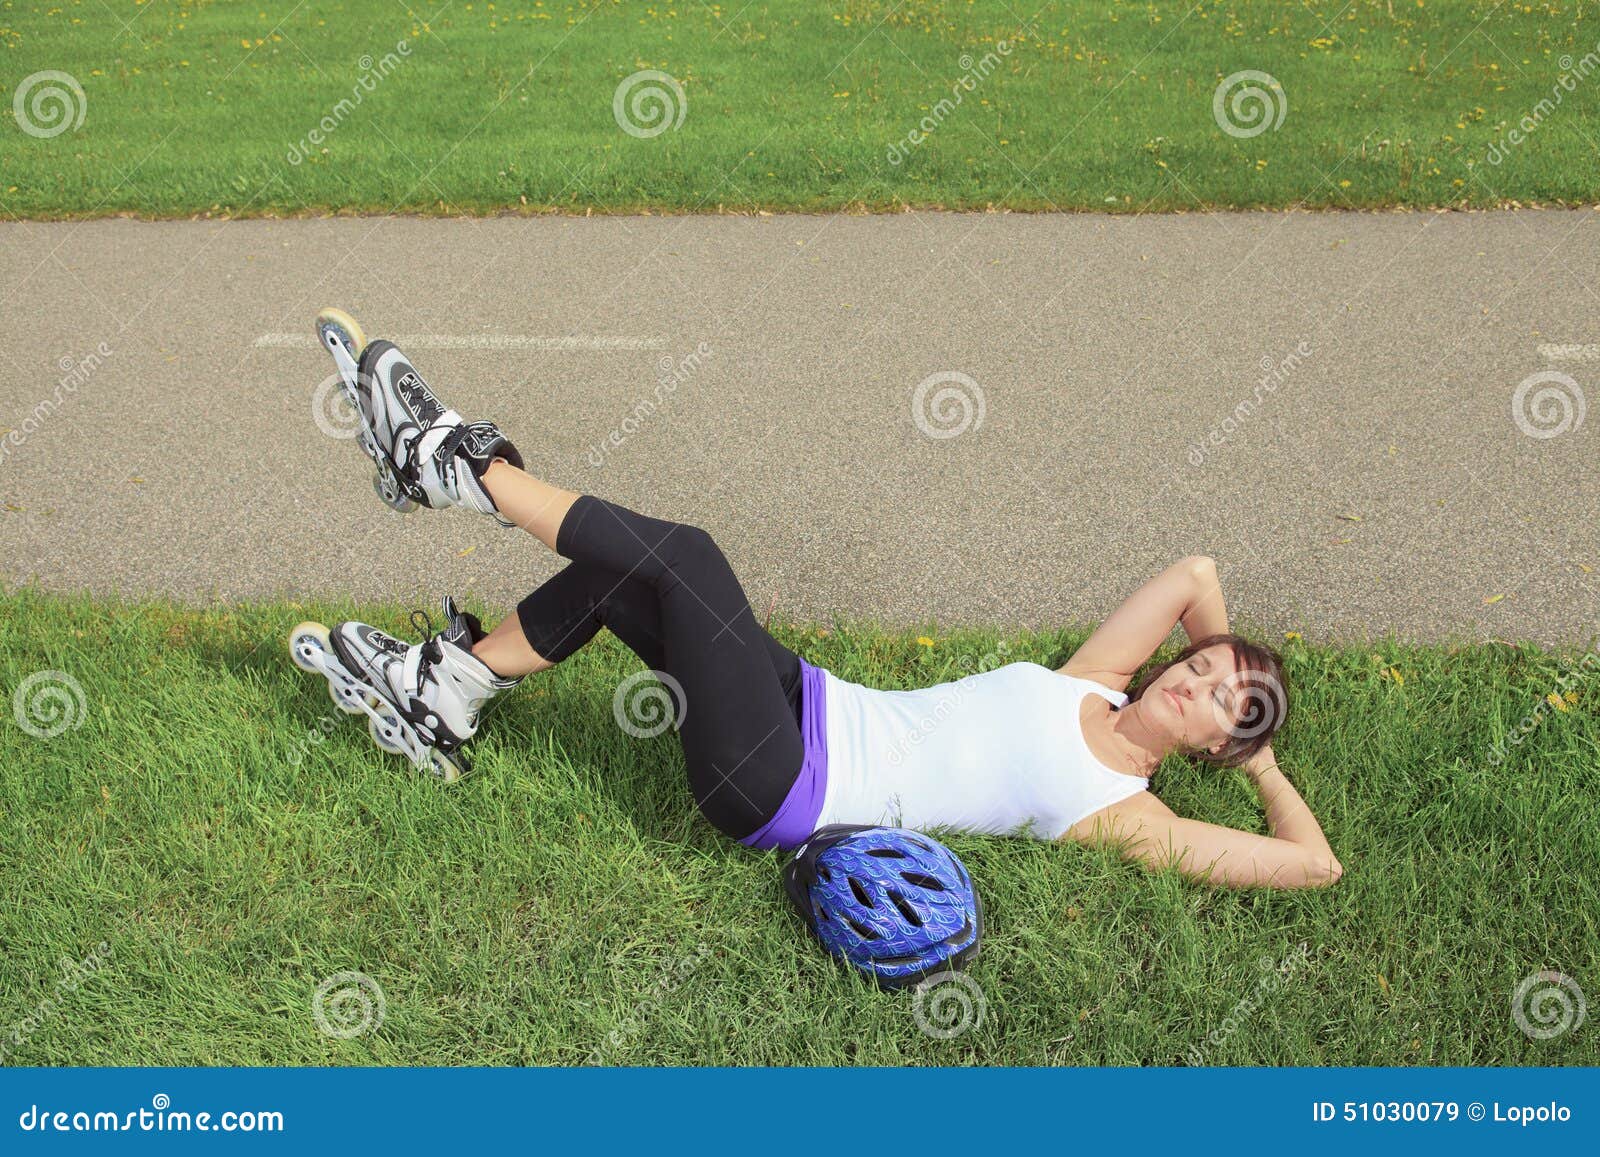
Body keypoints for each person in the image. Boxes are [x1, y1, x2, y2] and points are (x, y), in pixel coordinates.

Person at [299, 313, 1342, 891]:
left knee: (690, 557)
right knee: (627, 573)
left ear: (1212, 745)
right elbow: (1197, 571)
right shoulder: (1092, 679)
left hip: (783, 786)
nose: (1197, 674)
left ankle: (458, 467)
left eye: (1216, 697)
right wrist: (1235, 674)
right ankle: (446, 689)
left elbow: (1314, 865)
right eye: (1203, 665)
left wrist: (1262, 757)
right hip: (803, 698)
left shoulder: (1126, 815)